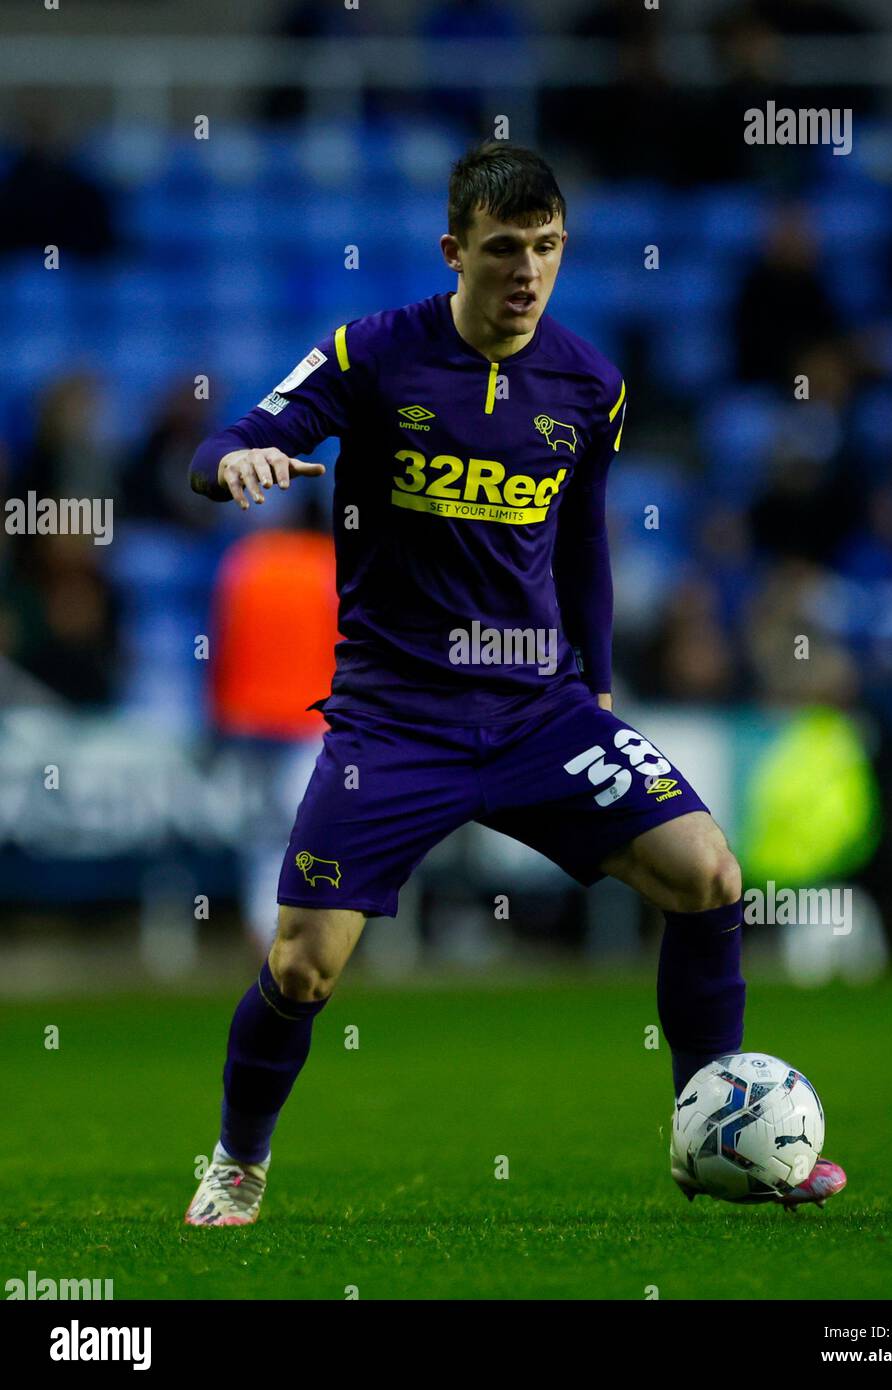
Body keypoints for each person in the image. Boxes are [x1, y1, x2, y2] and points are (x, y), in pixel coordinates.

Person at [184, 141, 845, 1224]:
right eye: (503, 250)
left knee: (709, 874)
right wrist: (235, 467)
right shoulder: (373, 354)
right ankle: (236, 1158)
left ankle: (705, 1127)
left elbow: (583, 544)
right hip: (397, 719)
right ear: (454, 251)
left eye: (545, 248)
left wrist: (600, 685)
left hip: (543, 711)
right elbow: (236, 436)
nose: (526, 271)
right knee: (302, 968)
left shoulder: (589, 384)